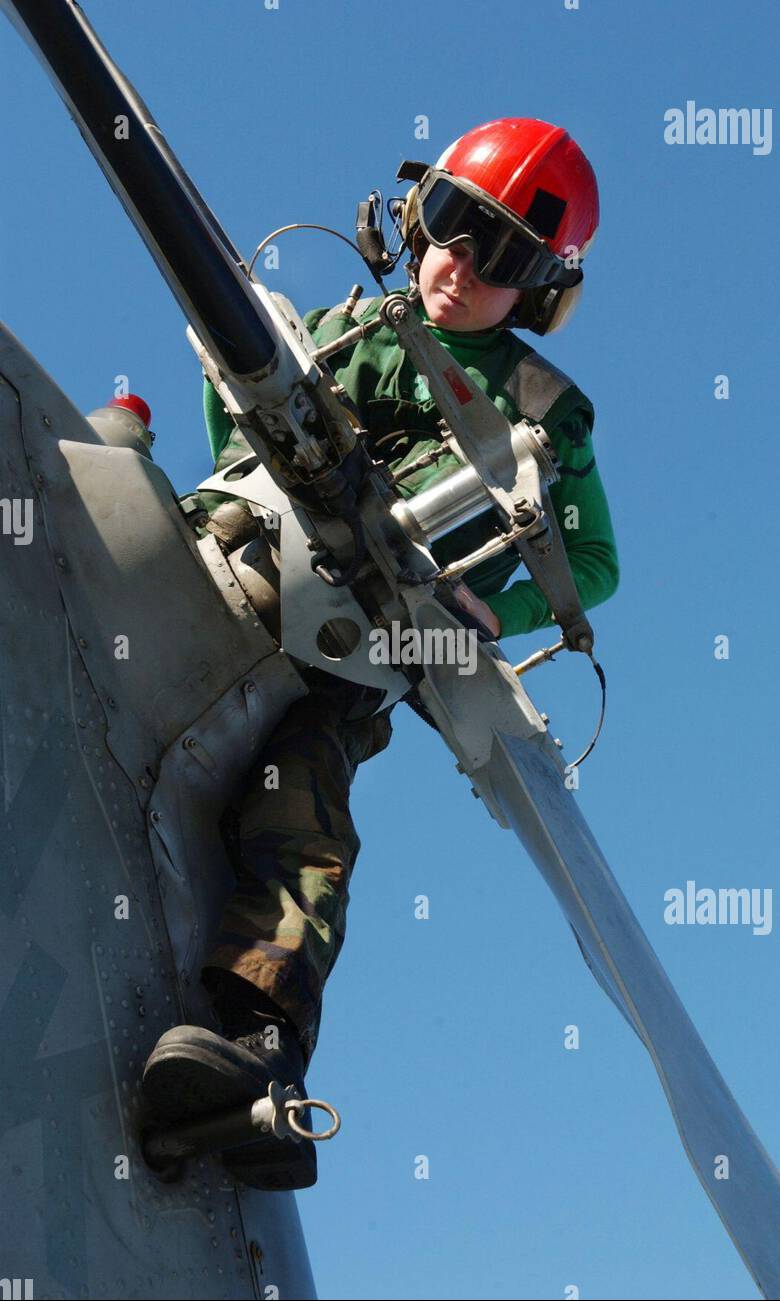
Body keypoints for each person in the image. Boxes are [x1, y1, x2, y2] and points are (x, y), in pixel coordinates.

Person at [142, 117, 620, 1190]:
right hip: (218, 574)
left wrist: (488, 612)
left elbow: (591, 564)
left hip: (360, 649)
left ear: (541, 287)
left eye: (501, 258)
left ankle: (258, 1059)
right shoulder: (330, 332)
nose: (459, 266)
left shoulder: (541, 413)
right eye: (453, 227)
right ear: (413, 217)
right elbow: (233, 416)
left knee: (301, 806)